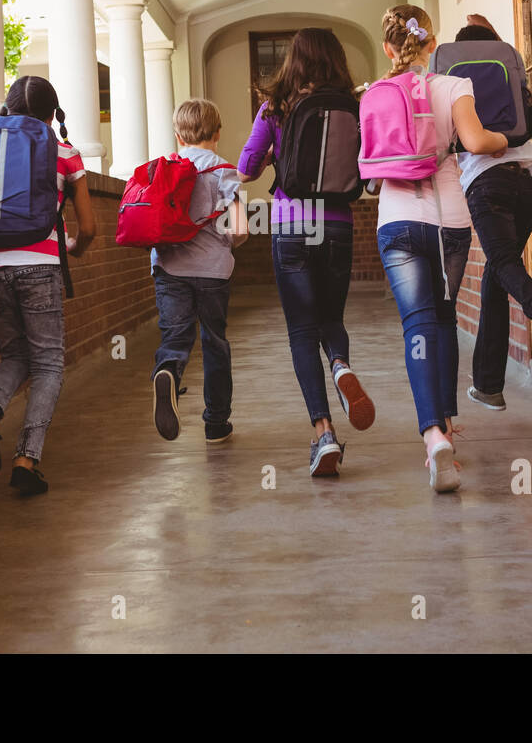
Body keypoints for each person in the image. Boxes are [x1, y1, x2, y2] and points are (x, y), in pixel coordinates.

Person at [372, 4, 509, 493]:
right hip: (450, 219)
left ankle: (433, 435)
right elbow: (476, 140)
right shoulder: (455, 86)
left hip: (398, 219)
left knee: (418, 325)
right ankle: (448, 425)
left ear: (389, 48)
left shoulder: (376, 92)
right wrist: (501, 137)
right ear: (433, 45)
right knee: (446, 316)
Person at [0, 75, 96, 497]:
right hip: (40, 265)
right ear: (52, 114)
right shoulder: (64, 152)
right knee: (47, 363)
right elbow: (91, 226)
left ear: (7, 110)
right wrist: (76, 248)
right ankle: (27, 459)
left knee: (15, 355)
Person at [237, 28, 375, 478]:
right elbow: (367, 171)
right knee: (331, 319)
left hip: (292, 226)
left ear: (291, 61)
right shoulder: (353, 107)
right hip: (336, 224)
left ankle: (323, 432)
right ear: (337, 59)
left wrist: (277, 147)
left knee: (301, 329)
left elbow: (246, 168)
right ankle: (340, 366)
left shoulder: (275, 106)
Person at [454, 15, 532, 412]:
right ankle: (489, 385)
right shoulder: (510, 76)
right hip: (525, 185)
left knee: (503, 263)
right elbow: (528, 125)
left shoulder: (454, 82)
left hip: (485, 183)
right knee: (497, 273)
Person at [151, 98, 249, 443]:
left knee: (176, 336)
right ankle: (216, 423)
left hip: (169, 268)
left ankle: (168, 371)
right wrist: (225, 249)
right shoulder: (224, 170)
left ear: (178, 135)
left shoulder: (164, 167)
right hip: (212, 272)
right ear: (218, 133)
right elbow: (239, 229)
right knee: (214, 342)